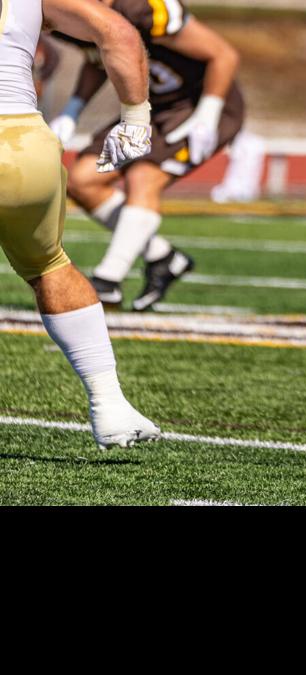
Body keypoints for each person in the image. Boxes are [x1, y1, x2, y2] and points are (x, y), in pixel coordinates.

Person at [4, 0, 160, 447]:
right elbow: (118, 31)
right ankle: (109, 403)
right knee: (49, 265)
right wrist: (135, 121)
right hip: (21, 144)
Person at [47, 0, 244, 312]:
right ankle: (162, 257)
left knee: (144, 176)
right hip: (150, 109)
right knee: (83, 180)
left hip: (199, 105)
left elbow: (224, 55)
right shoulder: (73, 12)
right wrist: (73, 110)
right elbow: (98, 58)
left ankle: (107, 281)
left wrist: (209, 113)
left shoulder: (143, 7)